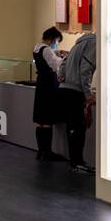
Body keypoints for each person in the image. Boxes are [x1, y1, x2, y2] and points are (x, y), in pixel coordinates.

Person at [59, 30, 97, 173]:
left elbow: (63, 63)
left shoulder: (78, 44)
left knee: (72, 127)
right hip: (75, 91)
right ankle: (78, 163)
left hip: (66, 89)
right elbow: (85, 70)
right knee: (79, 127)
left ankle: (74, 162)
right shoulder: (94, 43)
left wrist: (61, 76)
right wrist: (88, 94)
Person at [32, 27, 67, 160]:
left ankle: (40, 151)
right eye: (57, 41)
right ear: (52, 39)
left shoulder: (37, 47)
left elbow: (49, 56)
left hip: (41, 84)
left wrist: (57, 52)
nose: (57, 43)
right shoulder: (47, 50)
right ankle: (48, 152)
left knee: (40, 120)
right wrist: (64, 58)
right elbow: (55, 64)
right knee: (47, 119)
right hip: (48, 85)